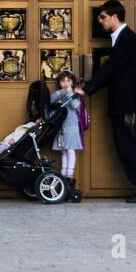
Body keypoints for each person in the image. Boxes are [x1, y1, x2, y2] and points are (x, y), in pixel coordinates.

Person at [77, 0, 136, 203]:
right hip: (124, 104)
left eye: (103, 17)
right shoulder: (121, 39)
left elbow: (111, 69)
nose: (100, 21)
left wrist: (86, 88)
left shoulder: (127, 39)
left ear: (114, 16)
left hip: (127, 105)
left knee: (131, 146)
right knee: (129, 145)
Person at [50, 70, 85, 201]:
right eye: (63, 81)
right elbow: (52, 99)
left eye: (68, 81)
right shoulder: (59, 94)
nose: (65, 83)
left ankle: (69, 175)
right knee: (64, 151)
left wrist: (71, 92)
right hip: (61, 127)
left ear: (73, 83)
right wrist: (65, 91)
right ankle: (63, 175)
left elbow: (76, 105)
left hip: (71, 127)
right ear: (59, 83)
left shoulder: (74, 95)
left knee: (70, 150)